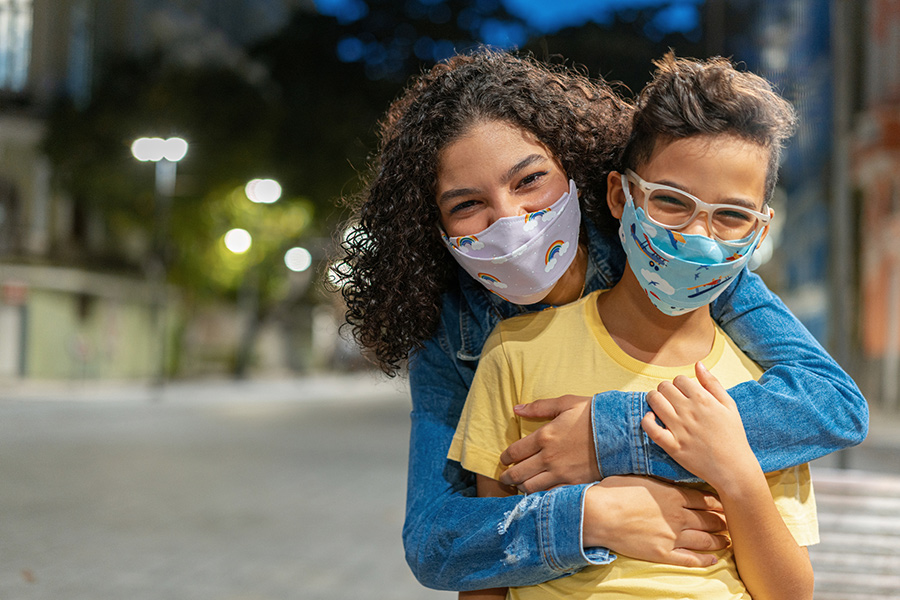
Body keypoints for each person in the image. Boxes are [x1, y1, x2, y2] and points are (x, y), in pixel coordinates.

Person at [335, 49, 867, 591]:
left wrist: (610, 436)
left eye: (529, 180)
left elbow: (829, 402)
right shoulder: (458, 329)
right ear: (435, 228)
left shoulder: (670, 255)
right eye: (467, 205)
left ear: (574, 170)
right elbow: (437, 541)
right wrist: (595, 516)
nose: (510, 220)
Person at [449, 52, 817, 600]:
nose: (698, 235)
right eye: (671, 202)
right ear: (621, 196)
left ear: (760, 230)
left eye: (732, 215)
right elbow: (487, 568)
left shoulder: (763, 392)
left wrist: (737, 474)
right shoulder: (516, 355)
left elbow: (790, 593)